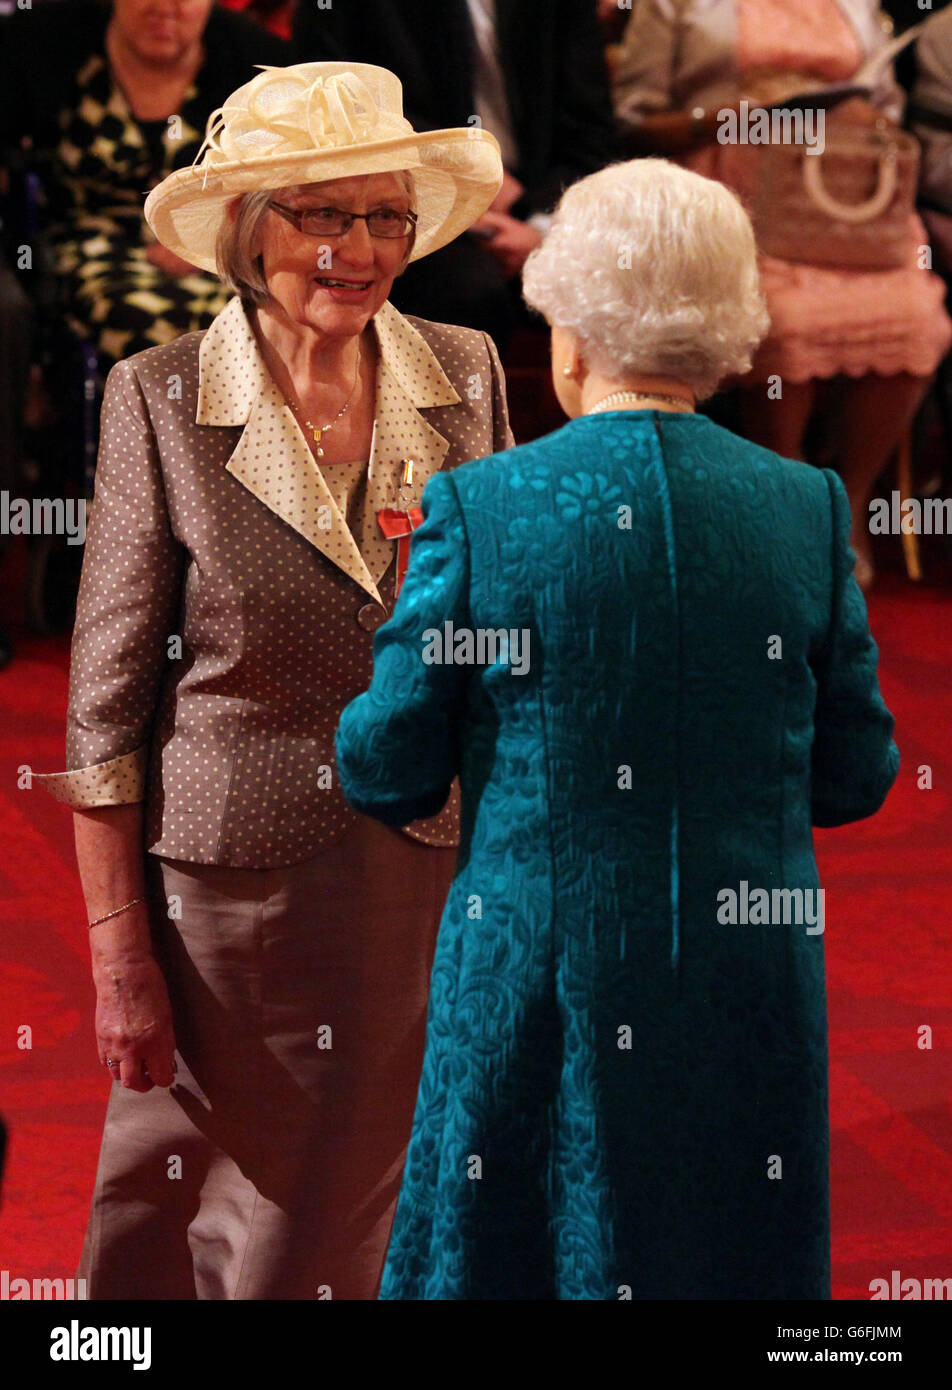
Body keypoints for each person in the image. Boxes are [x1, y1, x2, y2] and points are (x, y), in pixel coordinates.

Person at [335, 158, 900, 1300]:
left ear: (573, 331)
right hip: (748, 970)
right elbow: (855, 774)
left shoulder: (479, 509)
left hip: (539, 972)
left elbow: (382, 762)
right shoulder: (807, 509)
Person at [35, 60, 511, 1300]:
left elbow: (500, 655)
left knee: (334, 1221)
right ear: (250, 231)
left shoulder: (464, 375)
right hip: (218, 907)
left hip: (415, 874)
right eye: (322, 214)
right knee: (174, 1195)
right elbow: (103, 710)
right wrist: (118, 956)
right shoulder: (162, 394)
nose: (359, 248)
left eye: (386, 216)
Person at [611, 0, 952, 589]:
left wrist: (854, 122)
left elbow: (888, 106)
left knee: (920, 318)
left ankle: (846, 502)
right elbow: (631, 120)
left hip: (843, 196)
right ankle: (783, 498)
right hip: (722, 191)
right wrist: (729, 119)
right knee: (785, 322)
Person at [294, 0, 619, 346]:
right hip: (408, 202)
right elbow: (330, 105)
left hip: (536, 205)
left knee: (624, 280)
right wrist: (465, 183)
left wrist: (542, 228)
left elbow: (591, 138)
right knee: (471, 291)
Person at [0, 0, 291, 374]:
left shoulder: (253, 56)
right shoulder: (42, 39)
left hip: (213, 249)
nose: (163, 8)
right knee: (144, 326)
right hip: (88, 240)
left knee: (256, 326)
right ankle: (145, 430)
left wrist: (211, 237)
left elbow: (278, 179)